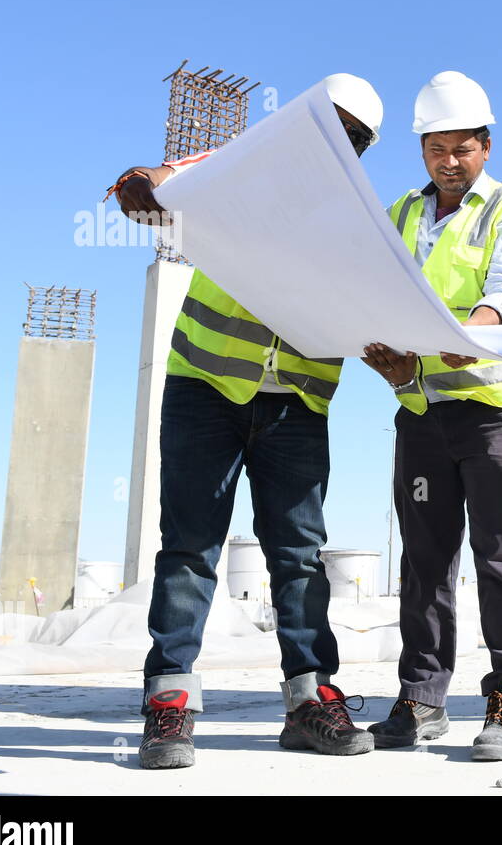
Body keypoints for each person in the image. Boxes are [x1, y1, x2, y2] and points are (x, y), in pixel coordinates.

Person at [109, 75, 386, 768]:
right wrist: (142, 179)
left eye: (356, 139)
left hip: (296, 399)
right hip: (206, 385)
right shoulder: (242, 167)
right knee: (190, 547)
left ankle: (311, 700)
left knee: (299, 555)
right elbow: (164, 181)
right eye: (332, 125)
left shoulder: (360, 218)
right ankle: (169, 705)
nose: (339, 144)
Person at [360, 72, 502, 760]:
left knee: (500, 554)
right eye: (435, 148)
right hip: (421, 410)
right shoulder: (403, 213)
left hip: (493, 408)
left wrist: (475, 333)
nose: (447, 161)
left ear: (487, 147)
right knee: (425, 560)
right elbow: (384, 293)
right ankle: (422, 696)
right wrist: (394, 359)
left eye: (461, 148)